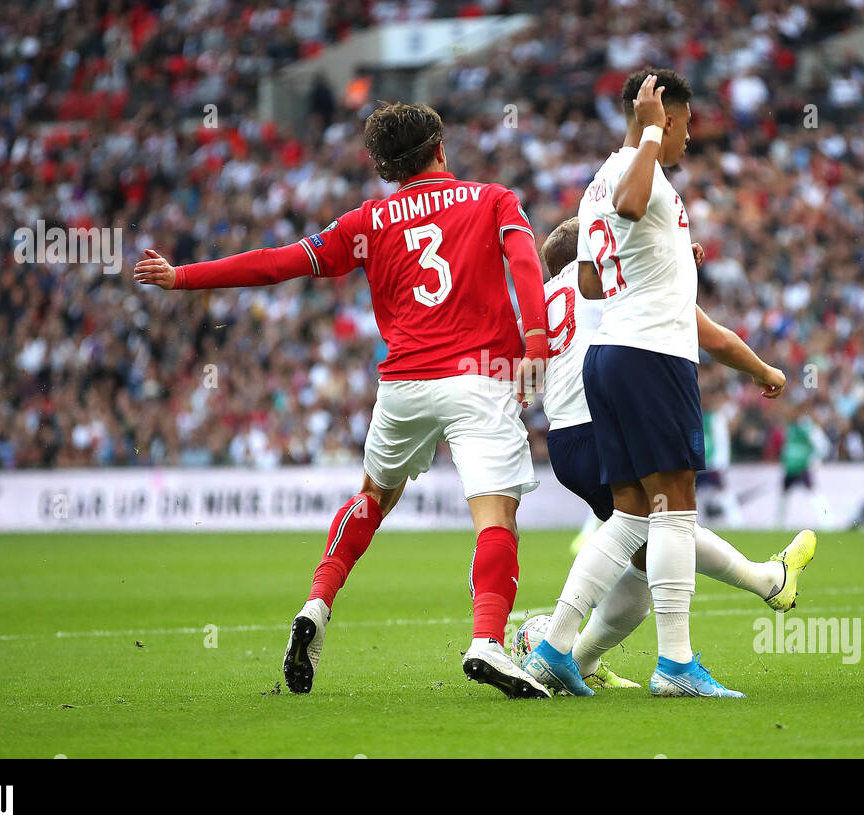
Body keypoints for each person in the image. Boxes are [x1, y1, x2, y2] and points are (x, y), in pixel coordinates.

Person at [134, 102, 552, 699]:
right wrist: (534, 338)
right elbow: (523, 261)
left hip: (403, 385)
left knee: (373, 498)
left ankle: (317, 605)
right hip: (478, 379)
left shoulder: (369, 220)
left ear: (386, 166)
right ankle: (487, 641)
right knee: (494, 513)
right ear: (439, 146)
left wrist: (183, 276)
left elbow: (276, 265)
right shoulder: (493, 199)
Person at [524, 68, 792, 699]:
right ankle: (675, 665)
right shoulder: (634, 170)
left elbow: (591, 282)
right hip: (651, 353)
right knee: (673, 511)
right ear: (664, 118)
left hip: (612, 356)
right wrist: (647, 139)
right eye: (687, 123)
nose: (690, 138)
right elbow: (631, 205)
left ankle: (556, 646)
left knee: (631, 516)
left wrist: (662, 264)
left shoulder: (595, 184)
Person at [535, 217, 816, 692]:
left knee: (646, 559)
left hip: (564, 441)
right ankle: (765, 584)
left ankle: (572, 657)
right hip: (609, 424)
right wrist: (766, 370)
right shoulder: (608, 280)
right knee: (664, 522)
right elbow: (715, 337)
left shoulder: (545, 298)